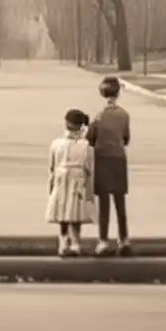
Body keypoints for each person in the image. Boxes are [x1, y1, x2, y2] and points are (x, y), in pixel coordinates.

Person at [87, 76, 131, 256]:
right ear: (118, 93)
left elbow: (90, 138)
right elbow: (126, 138)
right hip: (118, 158)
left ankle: (103, 240)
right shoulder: (124, 115)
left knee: (104, 203)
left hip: (102, 158)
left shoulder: (99, 116)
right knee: (120, 202)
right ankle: (124, 239)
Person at [47, 108, 96, 257]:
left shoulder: (56, 143)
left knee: (62, 211)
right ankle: (76, 243)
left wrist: (50, 184)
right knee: (76, 212)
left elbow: (52, 166)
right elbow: (89, 168)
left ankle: (63, 242)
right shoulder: (86, 145)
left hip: (61, 176)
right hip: (79, 177)